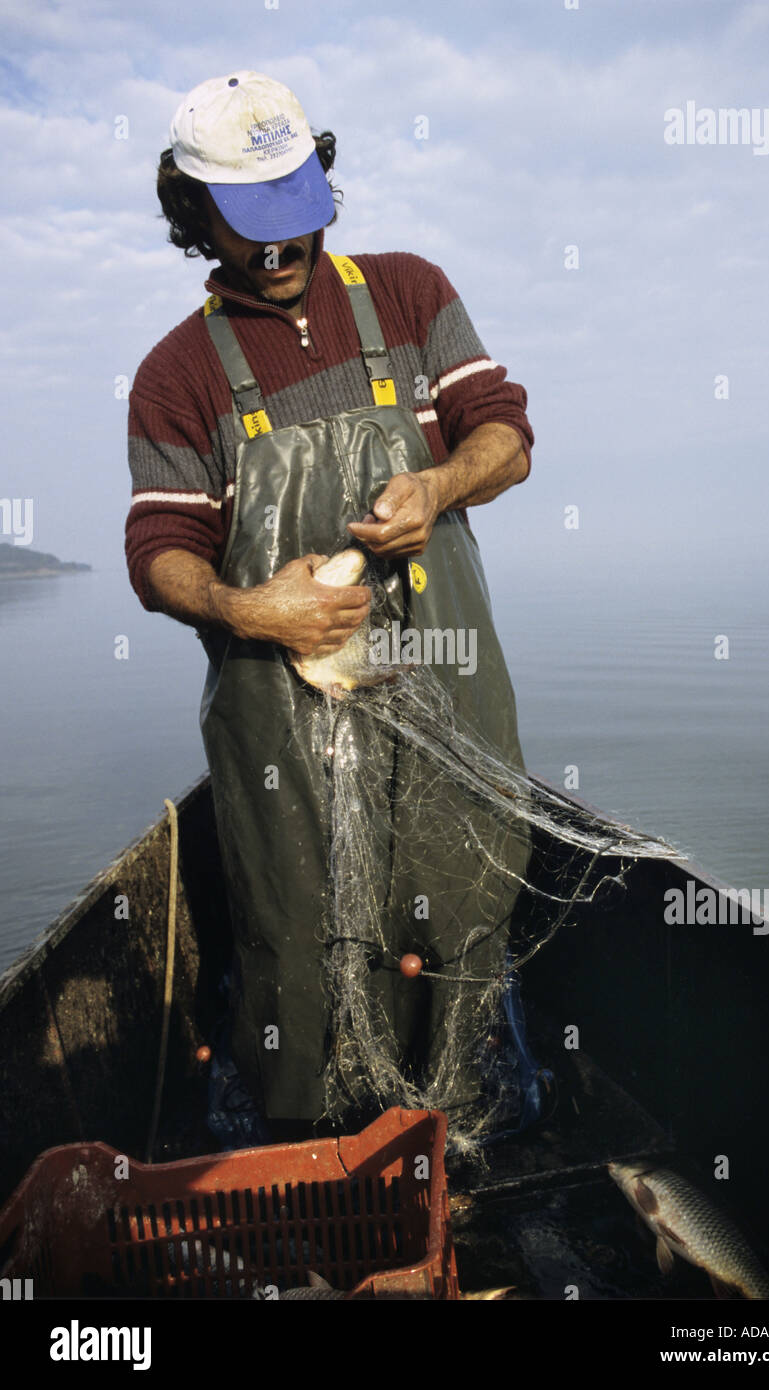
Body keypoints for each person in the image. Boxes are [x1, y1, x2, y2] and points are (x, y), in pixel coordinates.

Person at [125, 71, 535, 1141]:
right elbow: (158, 552)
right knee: (301, 932)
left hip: (442, 681)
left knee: (454, 892)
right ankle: (312, 1160)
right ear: (192, 212)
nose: (282, 243)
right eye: (254, 219)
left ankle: (452, 1127)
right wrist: (250, 609)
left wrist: (438, 485)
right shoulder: (175, 375)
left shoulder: (407, 293)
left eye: (295, 207)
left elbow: (504, 436)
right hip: (281, 714)